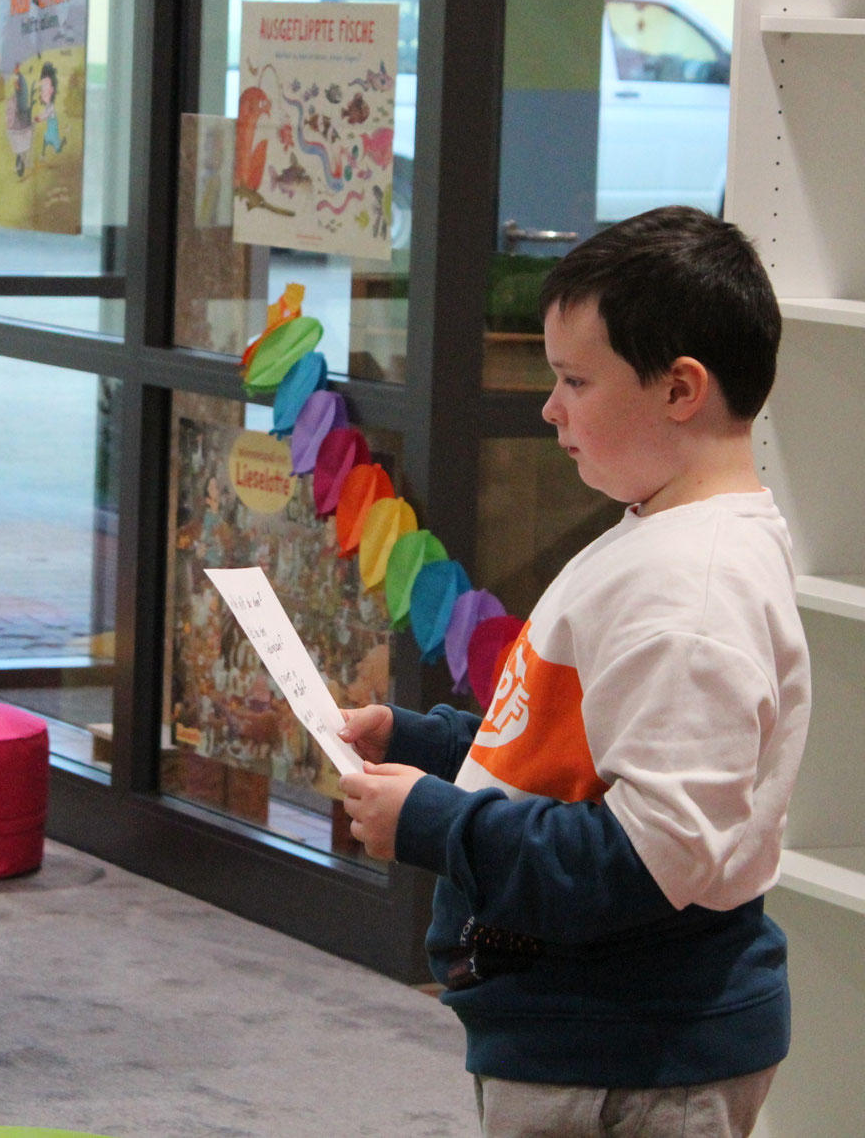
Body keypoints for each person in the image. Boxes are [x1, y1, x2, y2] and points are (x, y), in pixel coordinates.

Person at [338, 206, 810, 1138]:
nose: (549, 408)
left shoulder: (693, 592)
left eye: (574, 380)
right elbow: (582, 755)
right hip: (591, 1034)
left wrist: (437, 824)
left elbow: (651, 856)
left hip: (630, 1055)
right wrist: (428, 747)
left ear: (681, 389)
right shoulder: (655, 535)